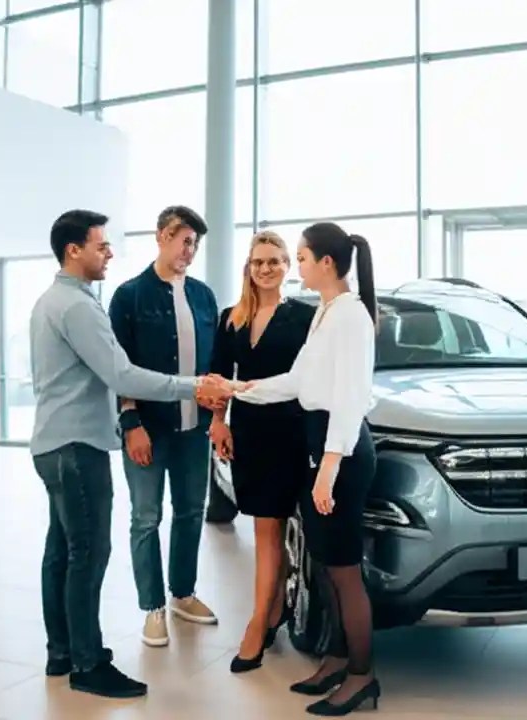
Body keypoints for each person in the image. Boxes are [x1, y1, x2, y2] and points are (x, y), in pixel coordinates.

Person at [29, 209, 235, 699]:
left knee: (61, 551)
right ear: (73, 250)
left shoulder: (53, 300)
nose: (109, 253)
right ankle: (88, 663)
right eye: (100, 245)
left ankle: (62, 653)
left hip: (56, 442)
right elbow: (121, 375)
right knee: (88, 554)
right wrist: (192, 387)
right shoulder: (81, 306)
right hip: (77, 446)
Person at [234, 222, 381, 716]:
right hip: (320, 445)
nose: (293, 266)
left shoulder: (351, 317)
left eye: (299, 257)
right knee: (324, 564)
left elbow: (351, 397)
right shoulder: (327, 313)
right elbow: (300, 381)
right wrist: (241, 389)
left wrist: (328, 468)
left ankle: (362, 676)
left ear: (326, 263)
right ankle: (338, 658)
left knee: (343, 571)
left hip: (340, 451)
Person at [107, 205, 221, 648]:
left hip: (195, 431)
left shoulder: (204, 297)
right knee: (146, 518)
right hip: (147, 429)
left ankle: (182, 594)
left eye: (194, 243)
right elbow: (119, 368)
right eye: (182, 240)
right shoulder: (129, 297)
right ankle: (152, 607)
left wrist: (217, 419)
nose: (188, 250)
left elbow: (211, 368)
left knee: (192, 511)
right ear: (161, 236)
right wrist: (130, 422)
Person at [208, 231, 316, 674]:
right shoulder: (231, 317)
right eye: (258, 262)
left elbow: (312, 376)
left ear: (287, 266)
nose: (266, 269)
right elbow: (218, 375)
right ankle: (267, 616)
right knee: (266, 528)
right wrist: (218, 422)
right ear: (248, 268)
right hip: (249, 431)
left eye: (274, 261)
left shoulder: (305, 317)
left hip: (292, 429)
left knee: (282, 526)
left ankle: (266, 617)